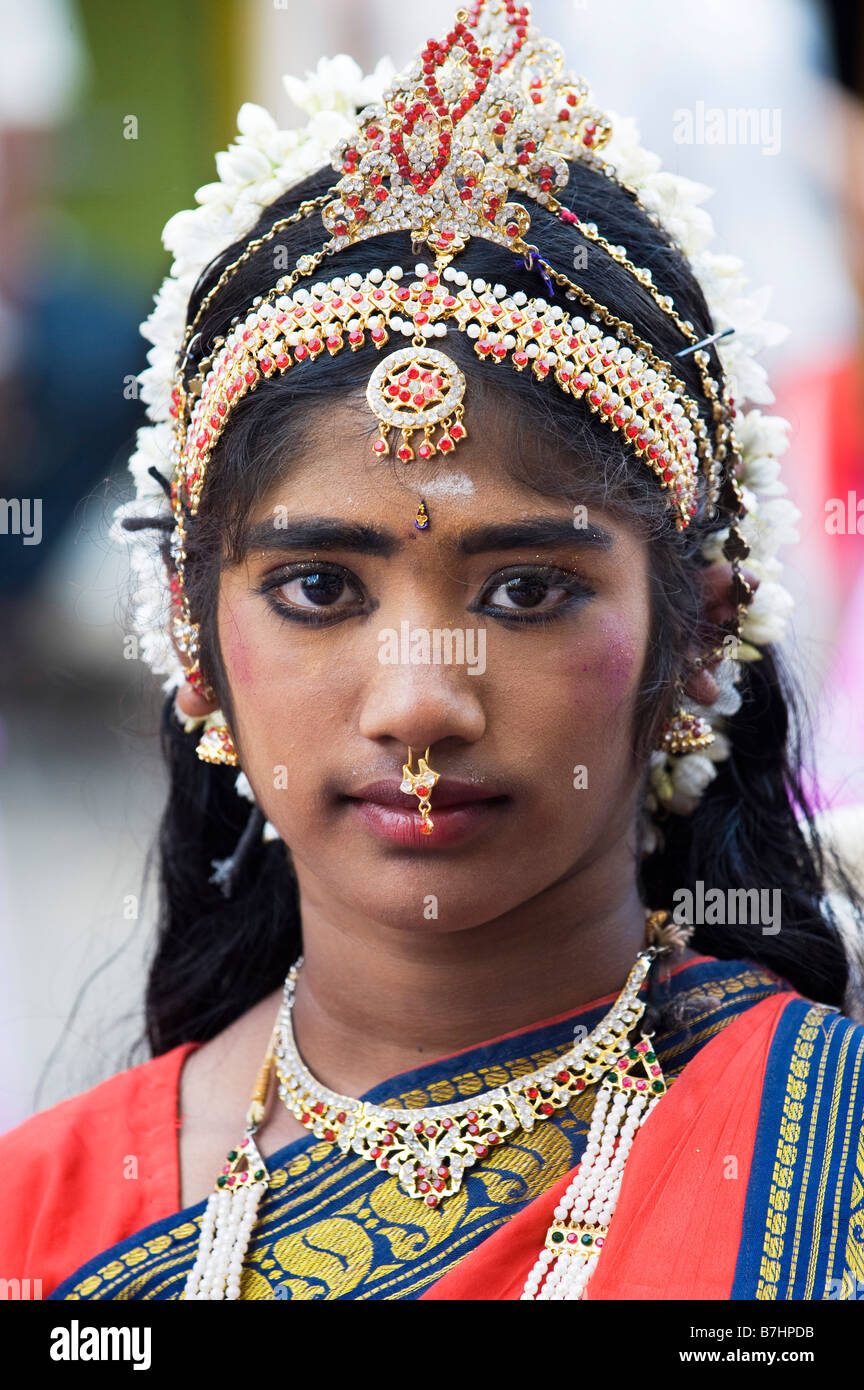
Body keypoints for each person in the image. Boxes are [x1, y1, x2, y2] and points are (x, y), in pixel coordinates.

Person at [2, 0, 863, 1302]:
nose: (418, 702)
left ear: (696, 634)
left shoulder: (823, 1157)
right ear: (193, 639)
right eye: (318, 586)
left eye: (524, 587)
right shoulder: (43, 1220)